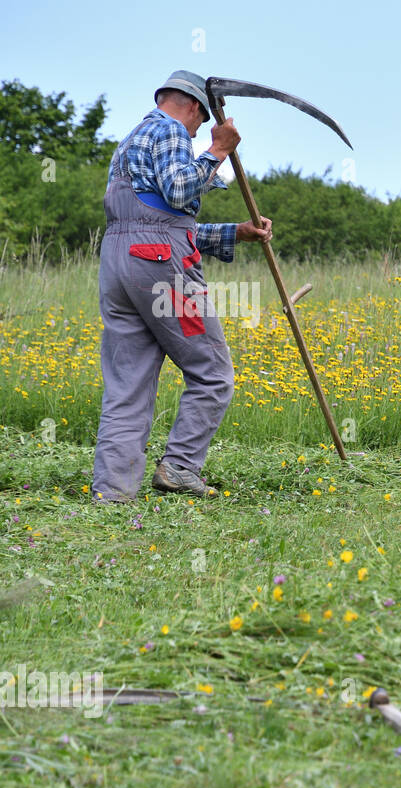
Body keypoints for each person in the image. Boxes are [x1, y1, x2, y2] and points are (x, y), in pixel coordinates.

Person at [92, 69, 271, 502]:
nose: (195, 132)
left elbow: (161, 223)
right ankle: (179, 466)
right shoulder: (172, 130)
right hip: (159, 269)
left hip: (119, 267)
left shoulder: (129, 141)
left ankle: (113, 494)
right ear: (192, 107)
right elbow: (176, 194)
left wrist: (236, 233)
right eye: (198, 122)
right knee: (212, 373)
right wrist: (217, 150)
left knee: (127, 384)